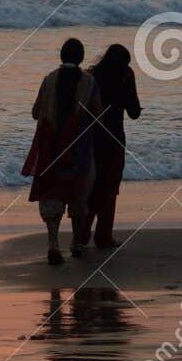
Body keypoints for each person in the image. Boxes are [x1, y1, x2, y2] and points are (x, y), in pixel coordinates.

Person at [23, 37, 102, 266]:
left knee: (52, 195)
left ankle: (53, 244)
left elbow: (36, 112)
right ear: (81, 57)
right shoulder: (89, 82)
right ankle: (77, 244)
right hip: (80, 149)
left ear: (62, 56)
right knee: (79, 195)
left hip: (50, 148)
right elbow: (97, 114)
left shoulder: (49, 79)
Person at [85, 44, 141, 249]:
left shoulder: (92, 75)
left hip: (92, 138)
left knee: (91, 186)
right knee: (110, 188)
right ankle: (103, 236)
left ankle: (82, 233)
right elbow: (134, 112)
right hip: (115, 137)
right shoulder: (126, 75)